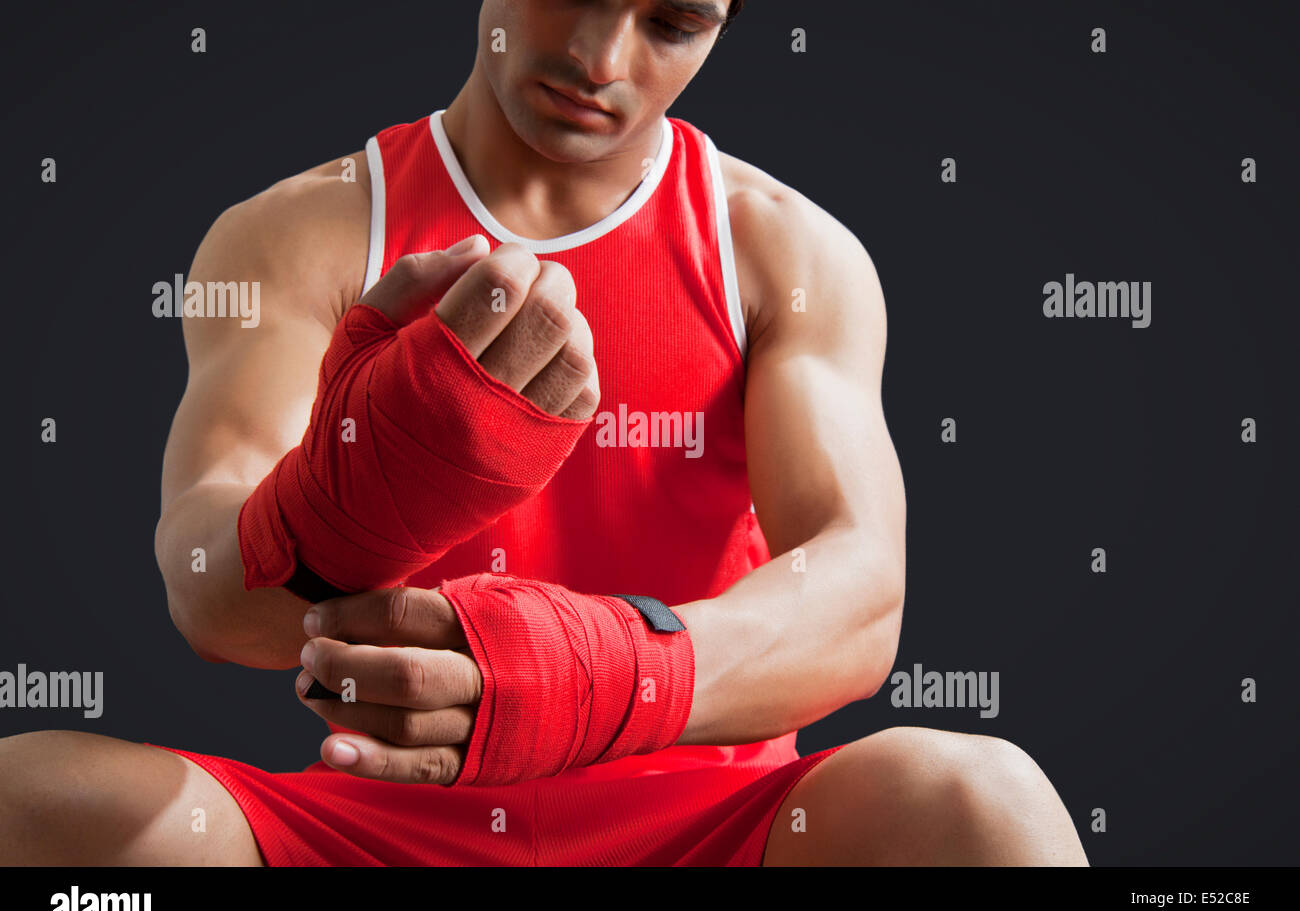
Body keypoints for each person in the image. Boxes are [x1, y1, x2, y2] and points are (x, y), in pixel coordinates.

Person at [0, 0, 1088, 866]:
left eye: (670, 22)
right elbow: (207, 588)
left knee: (978, 804)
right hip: (377, 822)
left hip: (712, 820)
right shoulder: (299, 231)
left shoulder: (781, 252)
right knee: (26, 806)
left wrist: (596, 676)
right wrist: (350, 497)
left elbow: (859, 599)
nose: (597, 55)